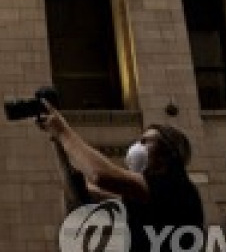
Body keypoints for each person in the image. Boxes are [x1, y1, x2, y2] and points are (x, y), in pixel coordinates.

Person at [37, 101, 204, 252]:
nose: (138, 146)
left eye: (146, 141)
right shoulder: (141, 198)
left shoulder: (175, 187)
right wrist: (57, 140)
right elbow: (81, 192)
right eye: (139, 141)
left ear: (168, 151)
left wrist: (63, 131)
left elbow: (99, 175)